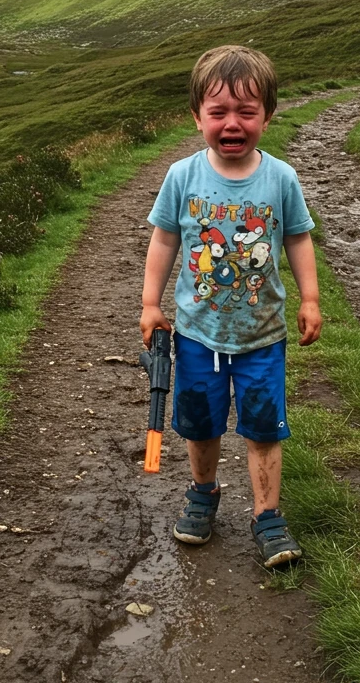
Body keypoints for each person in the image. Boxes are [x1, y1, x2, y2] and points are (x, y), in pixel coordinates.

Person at [139, 45, 322, 568]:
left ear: (268, 114)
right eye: (218, 112)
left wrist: (310, 299)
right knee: (200, 422)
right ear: (197, 116)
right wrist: (151, 304)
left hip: (262, 335)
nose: (233, 123)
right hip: (196, 334)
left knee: (264, 426)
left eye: (247, 111)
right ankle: (203, 493)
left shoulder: (281, 179)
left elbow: (299, 240)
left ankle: (268, 516)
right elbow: (163, 242)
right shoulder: (183, 177)